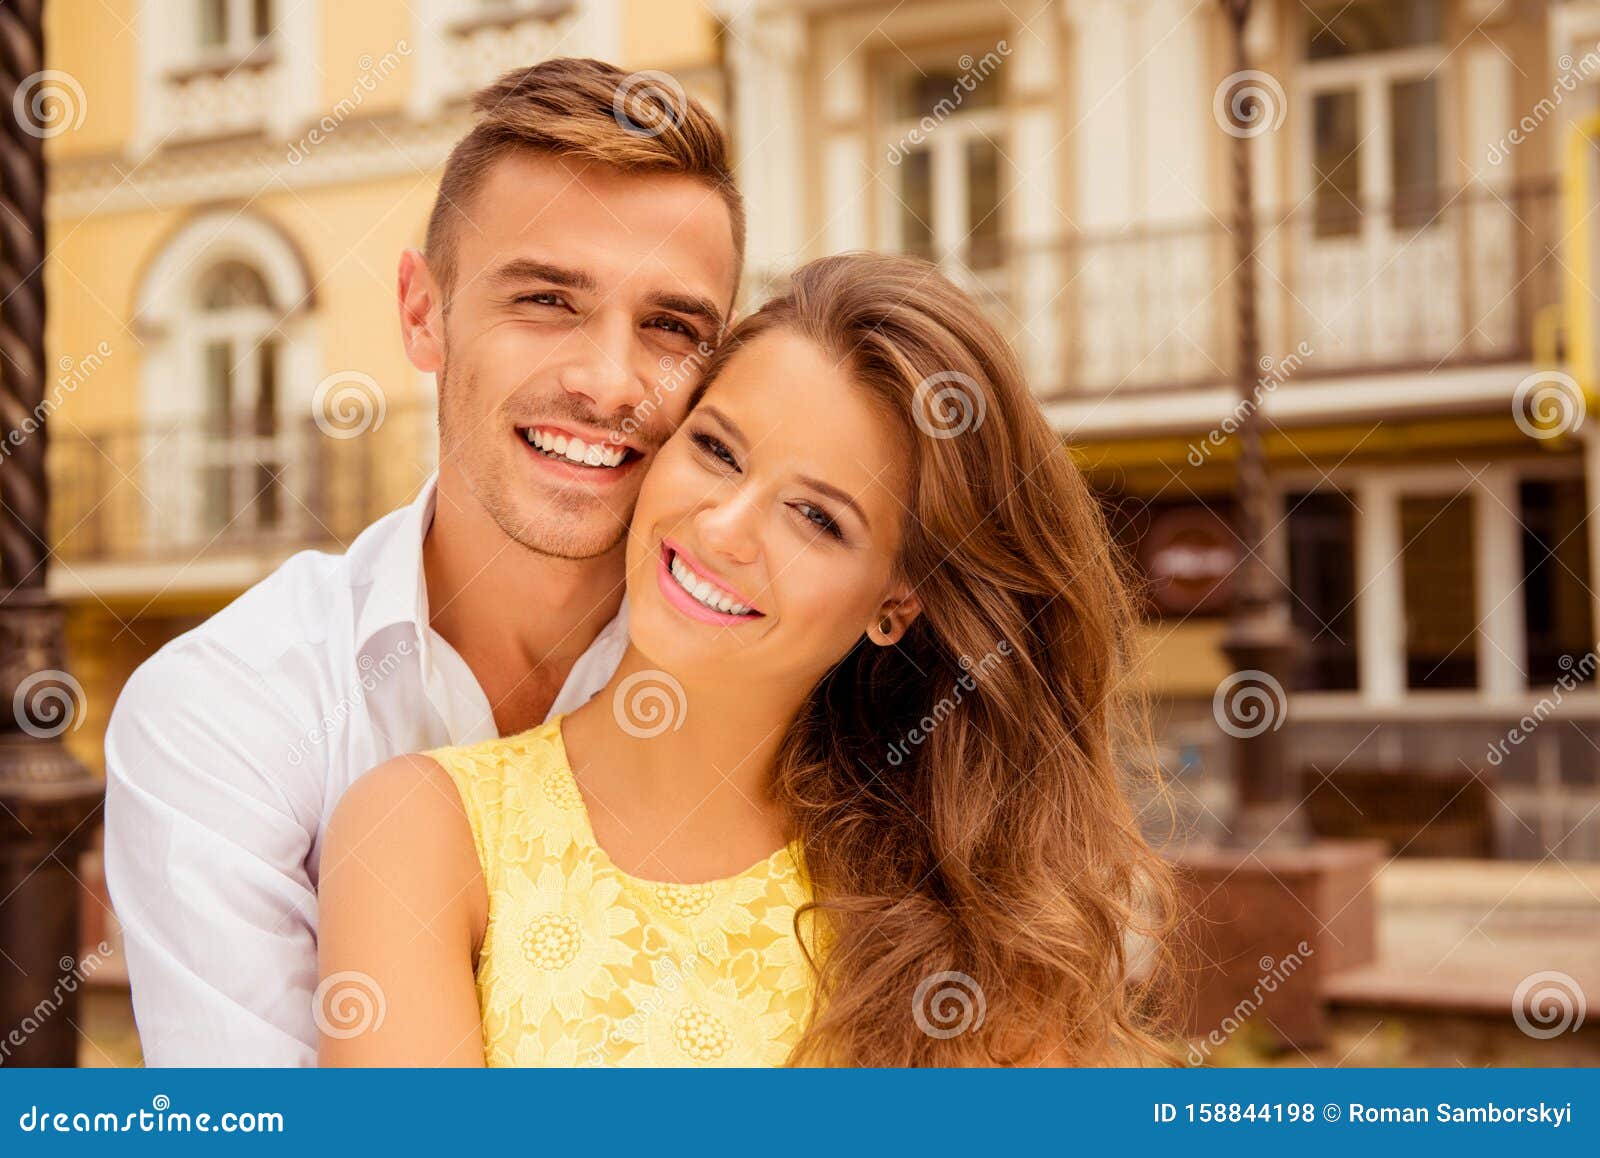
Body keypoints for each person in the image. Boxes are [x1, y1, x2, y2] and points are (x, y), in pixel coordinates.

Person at [317, 253, 1185, 1068]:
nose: (725, 529)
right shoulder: (421, 834)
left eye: (816, 518)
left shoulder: (974, 912)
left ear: (897, 603)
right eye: (718, 451)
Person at [102, 58, 743, 1066]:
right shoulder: (221, 710)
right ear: (421, 312)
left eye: (670, 327)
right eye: (545, 301)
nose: (611, 383)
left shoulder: (769, 682)